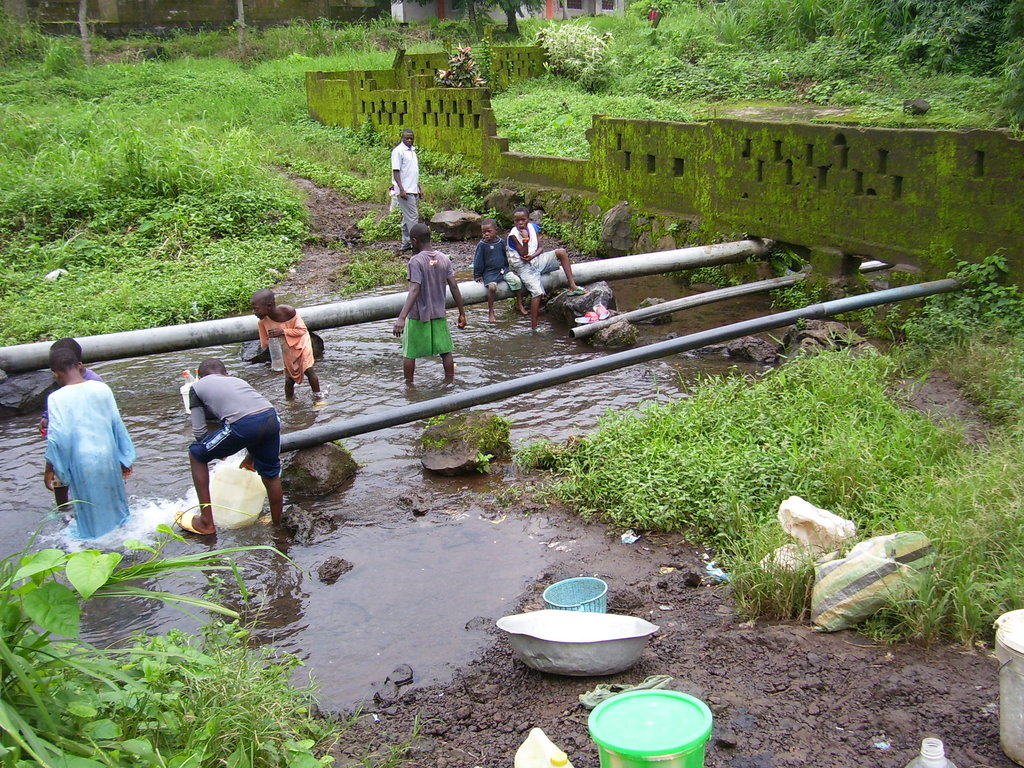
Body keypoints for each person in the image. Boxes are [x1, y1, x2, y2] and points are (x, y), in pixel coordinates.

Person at [179, 358, 283, 536]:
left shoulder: (196, 388)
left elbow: (199, 430)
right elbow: (253, 412)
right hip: (272, 416)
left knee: (196, 454)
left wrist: (213, 450)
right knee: (271, 475)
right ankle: (277, 524)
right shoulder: (237, 380)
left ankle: (206, 522)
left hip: (243, 423)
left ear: (200, 377)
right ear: (225, 373)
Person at [43, 348, 135, 539]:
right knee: (116, 505)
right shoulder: (102, 388)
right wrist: (125, 456)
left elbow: (57, 438)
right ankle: (126, 541)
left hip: (82, 461)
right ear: (80, 366)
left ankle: (96, 548)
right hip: (108, 455)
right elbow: (116, 424)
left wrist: (50, 469)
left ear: (55, 374)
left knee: (90, 514)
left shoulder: (56, 398)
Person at [392, 223, 466, 384]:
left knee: (409, 353)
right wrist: (462, 312)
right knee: (446, 351)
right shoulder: (444, 258)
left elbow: (414, 290)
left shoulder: (416, 261)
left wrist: (401, 317)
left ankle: (409, 388)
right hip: (439, 313)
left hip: (419, 316)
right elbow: (453, 286)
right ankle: (449, 383)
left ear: (414, 241)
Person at [40, 338, 105, 510]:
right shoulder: (63, 382)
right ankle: (63, 510)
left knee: (93, 488)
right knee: (61, 483)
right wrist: (47, 416)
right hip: (76, 447)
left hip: (83, 447)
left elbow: (57, 435)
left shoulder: (95, 384)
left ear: (79, 365)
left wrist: (49, 468)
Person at [506, 207, 586, 331]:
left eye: (523, 220)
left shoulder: (533, 228)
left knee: (561, 252)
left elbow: (540, 248)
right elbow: (523, 254)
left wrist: (533, 255)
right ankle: (534, 327)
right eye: (517, 221)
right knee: (537, 293)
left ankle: (572, 286)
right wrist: (525, 239)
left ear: (528, 219)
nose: (520, 223)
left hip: (536, 259)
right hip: (523, 267)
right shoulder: (513, 235)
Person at [250, 289, 323, 402]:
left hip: (301, 344)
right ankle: (290, 402)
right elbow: (264, 344)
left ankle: (319, 399)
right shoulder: (262, 323)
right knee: (289, 380)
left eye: (256, 308)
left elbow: (302, 331)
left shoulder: (288, 311)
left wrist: (283, 332)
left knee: (309, 370)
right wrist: (271, 339)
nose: (254, 312)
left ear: (269, 306)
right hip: (286, 349)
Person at [473, 218, 525, 321]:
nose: (486, 234)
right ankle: (491, 311)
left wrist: (507, 268)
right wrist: (478, 275)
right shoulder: (482, 245)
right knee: (492, 287)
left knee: (517, 281)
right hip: (489, 273)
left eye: (489, 231)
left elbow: (504, 256)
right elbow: (478, 261)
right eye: (484, 232)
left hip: (502, 270)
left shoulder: (501, 242)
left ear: (496, 231)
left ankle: (519, 303)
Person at [390, 129, 422, 252]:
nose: (409, 140)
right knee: (413, 218)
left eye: (411, 138)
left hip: (413, 188)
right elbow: (396, 171)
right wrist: (401, 189)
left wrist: (419, 188)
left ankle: (406, 243)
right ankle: (417, 246)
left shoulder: (412, 151)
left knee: (406, 219)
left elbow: (412, 172)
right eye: (406, 138)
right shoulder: (398, 151)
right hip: (405, 191)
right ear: (402, 138)